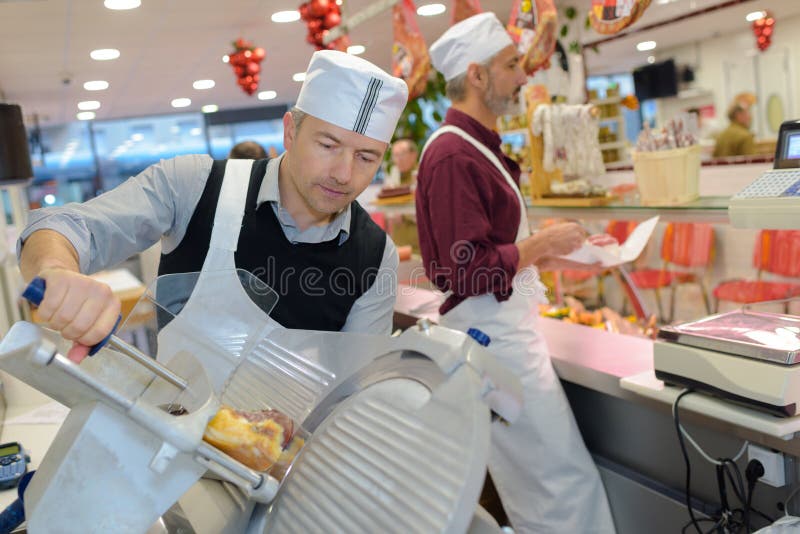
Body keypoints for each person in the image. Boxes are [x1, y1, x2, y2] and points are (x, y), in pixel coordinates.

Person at [18, 50, 409, 362]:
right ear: (290, 131)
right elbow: (66, 225)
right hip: (168, 443)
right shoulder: (197, 185)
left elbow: (356, 382)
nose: (343, 173)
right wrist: (55, 269)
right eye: (327, 145)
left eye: (366, 158)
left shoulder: (374, 255)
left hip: (289, 455)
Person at [416, 13, 615, 533]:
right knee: (560, 486)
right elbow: (466, 270)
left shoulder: (475, 145)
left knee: (541, 489)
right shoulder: (453, 155)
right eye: (510, 65)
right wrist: (542, 242)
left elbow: (493, 250)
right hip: (495, 343)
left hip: (506, 334)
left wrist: (560, 253)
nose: (524, 76)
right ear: (477, 75)